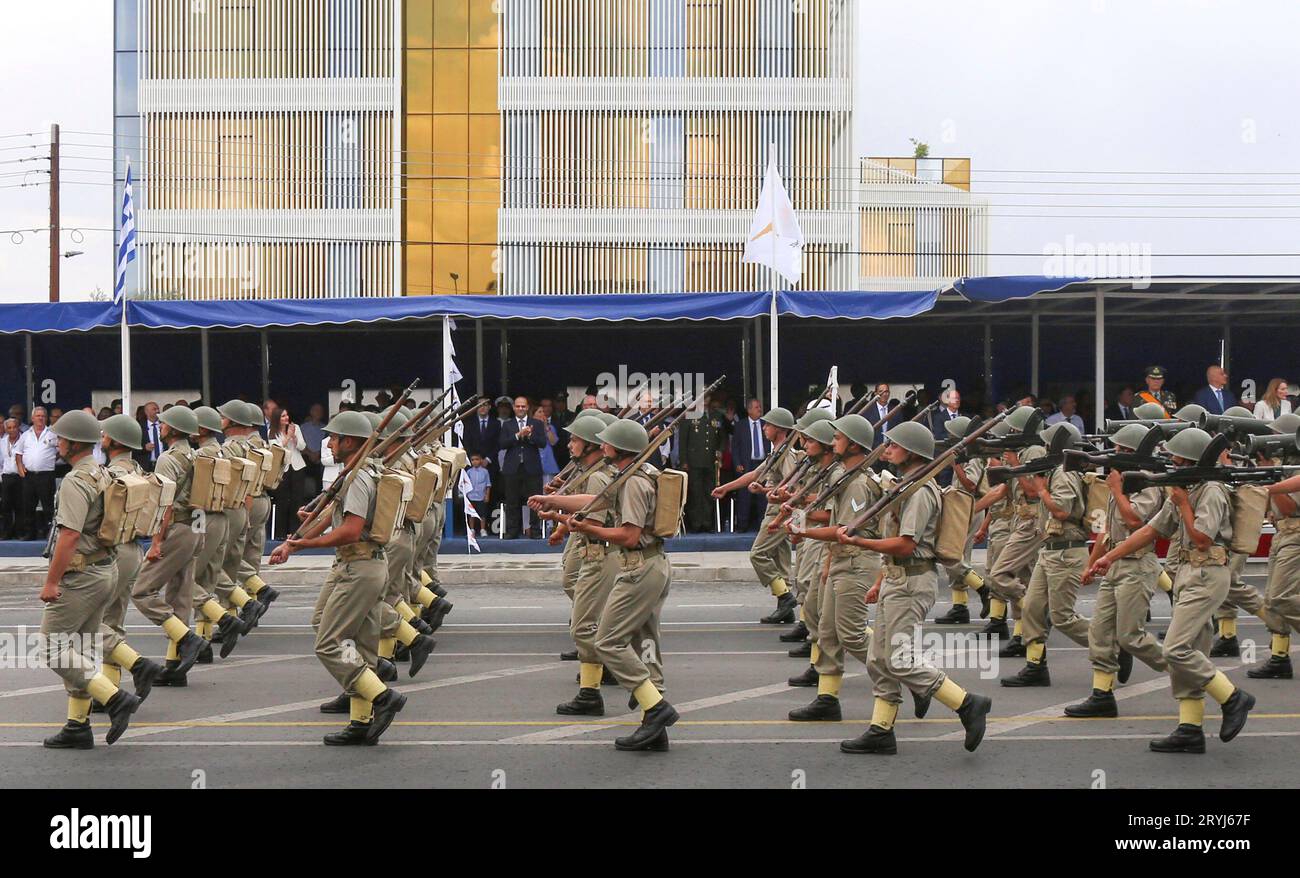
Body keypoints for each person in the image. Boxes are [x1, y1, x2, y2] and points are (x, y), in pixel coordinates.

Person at [1083, 427, 1256, 755]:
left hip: (1208, 572)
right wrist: (1107, 557)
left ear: (1191, 459)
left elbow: (1203, 537)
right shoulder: (1186, 489)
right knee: (1193, 649)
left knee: (1176, 648)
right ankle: (1190, 728)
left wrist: (1182, 503)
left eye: (1177, 458)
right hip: (1190, 573)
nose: (1172, 464)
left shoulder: (1211, 491)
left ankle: (1233, 698)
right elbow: (1149, 531)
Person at [835, 421, 993, 755]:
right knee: (878, 658)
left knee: (899, 659)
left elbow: (906, 545)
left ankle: (966, 703)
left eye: (894, 443)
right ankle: (881, 729)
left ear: (910, 451)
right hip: (897, 578)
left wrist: (861, 542)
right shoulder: (908, 485)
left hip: (911, 580)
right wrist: (881, 580)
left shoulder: (920, 492)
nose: (887, 447)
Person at [536, 419, 677, 752]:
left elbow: (627, 534)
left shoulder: (633, 485)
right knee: (645, 641)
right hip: (650, 564)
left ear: (618, 449)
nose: (603, 446)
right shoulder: (630, 476)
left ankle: (656, 709)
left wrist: (589, 529)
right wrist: (554, 503)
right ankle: (653, 724)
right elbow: (594, 501)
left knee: (607, 640)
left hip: (639, 566)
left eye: (607, 443)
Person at [268, 410, 408, 746]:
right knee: (358, 646)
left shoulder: (358, 476)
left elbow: (350, 529)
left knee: (329, 643)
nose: (329, 443)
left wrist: (309, 543)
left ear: (350, 441)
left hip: (358, 568)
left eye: (334, 437)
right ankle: (361, 720)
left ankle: (381, 696)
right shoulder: (363, 471)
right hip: (369, 566)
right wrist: (294, 545)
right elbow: (332, 514)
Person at [37, 410, 142, 749]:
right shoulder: (102, 473)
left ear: (71, 443)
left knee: (53, 649)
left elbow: (68, 536)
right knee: (80, 648)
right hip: (105, 569)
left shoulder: (75, 481)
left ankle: (114, 698)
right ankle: (77, 725)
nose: (57, 442)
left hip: (81, 574)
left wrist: (52, 582)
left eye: (60, 438)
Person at [132, 405, 244, 688]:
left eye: (164, 424)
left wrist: (156, 541)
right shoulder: (196, 455)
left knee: (142, 591)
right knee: (180, 594)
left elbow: (165, 501)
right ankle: (175, 664)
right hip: (197, 524)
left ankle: (186, 639)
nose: (161, 426)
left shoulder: (169, 459)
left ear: (172, 429)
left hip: (179, 526)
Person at [1064, 424, 1169, 718]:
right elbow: (1106, 531)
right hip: (1116, 564)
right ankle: (1102, 694)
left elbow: (1136, 521)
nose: (1117, 454)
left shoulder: (1148, 483)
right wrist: (1092, 564)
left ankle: (1191, 673)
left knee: (1131, 637)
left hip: (1137, 564)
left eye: (1123, 450)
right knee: (1100, 633)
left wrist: (1116, 489)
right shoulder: (1120, 482)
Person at [784, 413, 881, 723]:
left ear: (853, 444)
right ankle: (827, 699)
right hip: (839, 559)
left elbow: (842, 529)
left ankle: (903, 674)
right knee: (827, 632)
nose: (833, 440)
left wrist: (803, 532)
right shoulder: (846, 478)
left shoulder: (857, 485)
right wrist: (827, 562)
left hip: (855, 562)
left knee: (852, 635)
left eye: (838, 437)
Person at [531, 413, 623, 713]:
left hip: (599, 554)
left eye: (575, 440)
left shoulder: (597, 475)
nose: (570, 444)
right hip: (599, 552)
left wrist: (555, 506)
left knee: (584, 627)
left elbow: (589, 515)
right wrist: (557, 515)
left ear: (591, 445)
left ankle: (595, 689)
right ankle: (595, 683)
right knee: (589, 625)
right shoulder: (596, 471)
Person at [1001, 422, 1092, 688]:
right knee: (1030, 608)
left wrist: (1041, 490)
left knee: (1062, 617)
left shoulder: (1064, 473)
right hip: (1049, 551)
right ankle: (1035, 666)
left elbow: (1062, 511)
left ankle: (1110, 646)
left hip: (1066, 552)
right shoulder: (1055, 471)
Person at [93, 415, 165, 712]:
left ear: (115, 441)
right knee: (113, 622)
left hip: (113, 551)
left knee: (91, 624)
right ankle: (108, 691)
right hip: (133, 549)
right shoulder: (137, 469)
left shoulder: (109, 474)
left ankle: (136, 666)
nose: (101, 437)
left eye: (105, 434)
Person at [713, 406, 798, 623]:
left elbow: (793, 488)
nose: (764, 428)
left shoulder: (786, 455)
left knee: (758, 554)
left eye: (768, 424)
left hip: (780, 511)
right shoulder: (777, 453)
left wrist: (766, 492)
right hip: (777, 509)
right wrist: (727, 487)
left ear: (779, 429)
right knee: (781, 560)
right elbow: (754, 474)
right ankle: (785, 609)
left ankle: (785, 596)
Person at [676, 393, 725, 533]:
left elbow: (722, 437)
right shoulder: (689, 414)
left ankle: (708, 523)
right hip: (694, 461)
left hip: (710, 461)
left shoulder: (716, 415)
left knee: (710, 492)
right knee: (695, 493)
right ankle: (696, 523)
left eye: (707, 396)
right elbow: (683, 440)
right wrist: (684, 460)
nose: (705, 400)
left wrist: (720, 451)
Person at [498, 396, 546, 539]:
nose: (520, 409)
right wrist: (518, 435)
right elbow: (502, 444)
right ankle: (512, 531)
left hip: (532, 467)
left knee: (535, 500)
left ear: (527, 408)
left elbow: (543, 443)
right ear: (514, 408)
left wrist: (530, 436)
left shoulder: (536, 423)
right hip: (512, 467)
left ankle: (535, 530)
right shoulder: (507, 424)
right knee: (512, 500)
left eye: (523, 406)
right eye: (518, 406)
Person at [15, 406, 58, 540]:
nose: (40, 418)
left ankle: (49, 533)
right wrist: (20, 468)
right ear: (32, 418)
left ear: (46, 418)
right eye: (37, 416)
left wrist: (50, 460)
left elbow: (61, 450)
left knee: (48, 506)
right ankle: (29, 533)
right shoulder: (25, 435)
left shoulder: (53, 434)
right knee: (28, 505)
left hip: (46, 475)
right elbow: (18, 453)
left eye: (42, 416)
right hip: (29, 476)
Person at [729, 398, 770, 532]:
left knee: (762, 496)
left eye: (760, 407)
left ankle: (762, 525)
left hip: (763, 464)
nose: (760, 409)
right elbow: (734, 447)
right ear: (749, 410)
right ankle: (742, 525)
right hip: (747, 464)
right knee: (744, 496)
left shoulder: (766, 424)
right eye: (757, 407)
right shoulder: (741, 425)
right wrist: (737, 463)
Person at [269, 405, 308, 540]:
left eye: (287, 415)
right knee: (282, 500)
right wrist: (288, 437)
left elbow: (303, 446)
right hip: (283, 468)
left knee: (297, 499)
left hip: (297, 466)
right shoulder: (272, 431)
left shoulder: (295, 427)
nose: (286, 418)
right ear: (277, 419)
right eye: (283, 416)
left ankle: (295, 532)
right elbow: (277, 449)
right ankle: (280, 533)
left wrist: (295, 438)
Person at [0, 419, 22, 539]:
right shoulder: (2, 442)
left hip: (20, 477)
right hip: (7, 477)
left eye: (14, 427)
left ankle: (19, 532)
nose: (12, 430)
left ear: (18, 427)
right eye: (9, 428)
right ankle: (6, 532)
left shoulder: (24, 440)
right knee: (6, 506)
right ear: (6, 429)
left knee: (20, 506)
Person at [465, 453, 492, 536]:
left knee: (482, 514)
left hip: (481, 496)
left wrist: (487, 495)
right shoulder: (469, 472)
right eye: (472, 460)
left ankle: (482, 529)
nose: (475, 462)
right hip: (471, 496)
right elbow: (466, 484)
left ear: (480, 460)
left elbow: (488, 484)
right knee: (471, 514)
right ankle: (472, 529)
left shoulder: (485, 471)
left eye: (477, 459)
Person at [137, 401, 163, 471]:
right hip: (146, 466)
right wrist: (144, 448)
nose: (157, 411)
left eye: (158, 409)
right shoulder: (139, 427)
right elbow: (132, 448)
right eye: (154, 409)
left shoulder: (165, 425)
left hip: (163, 464)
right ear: (146, 412)